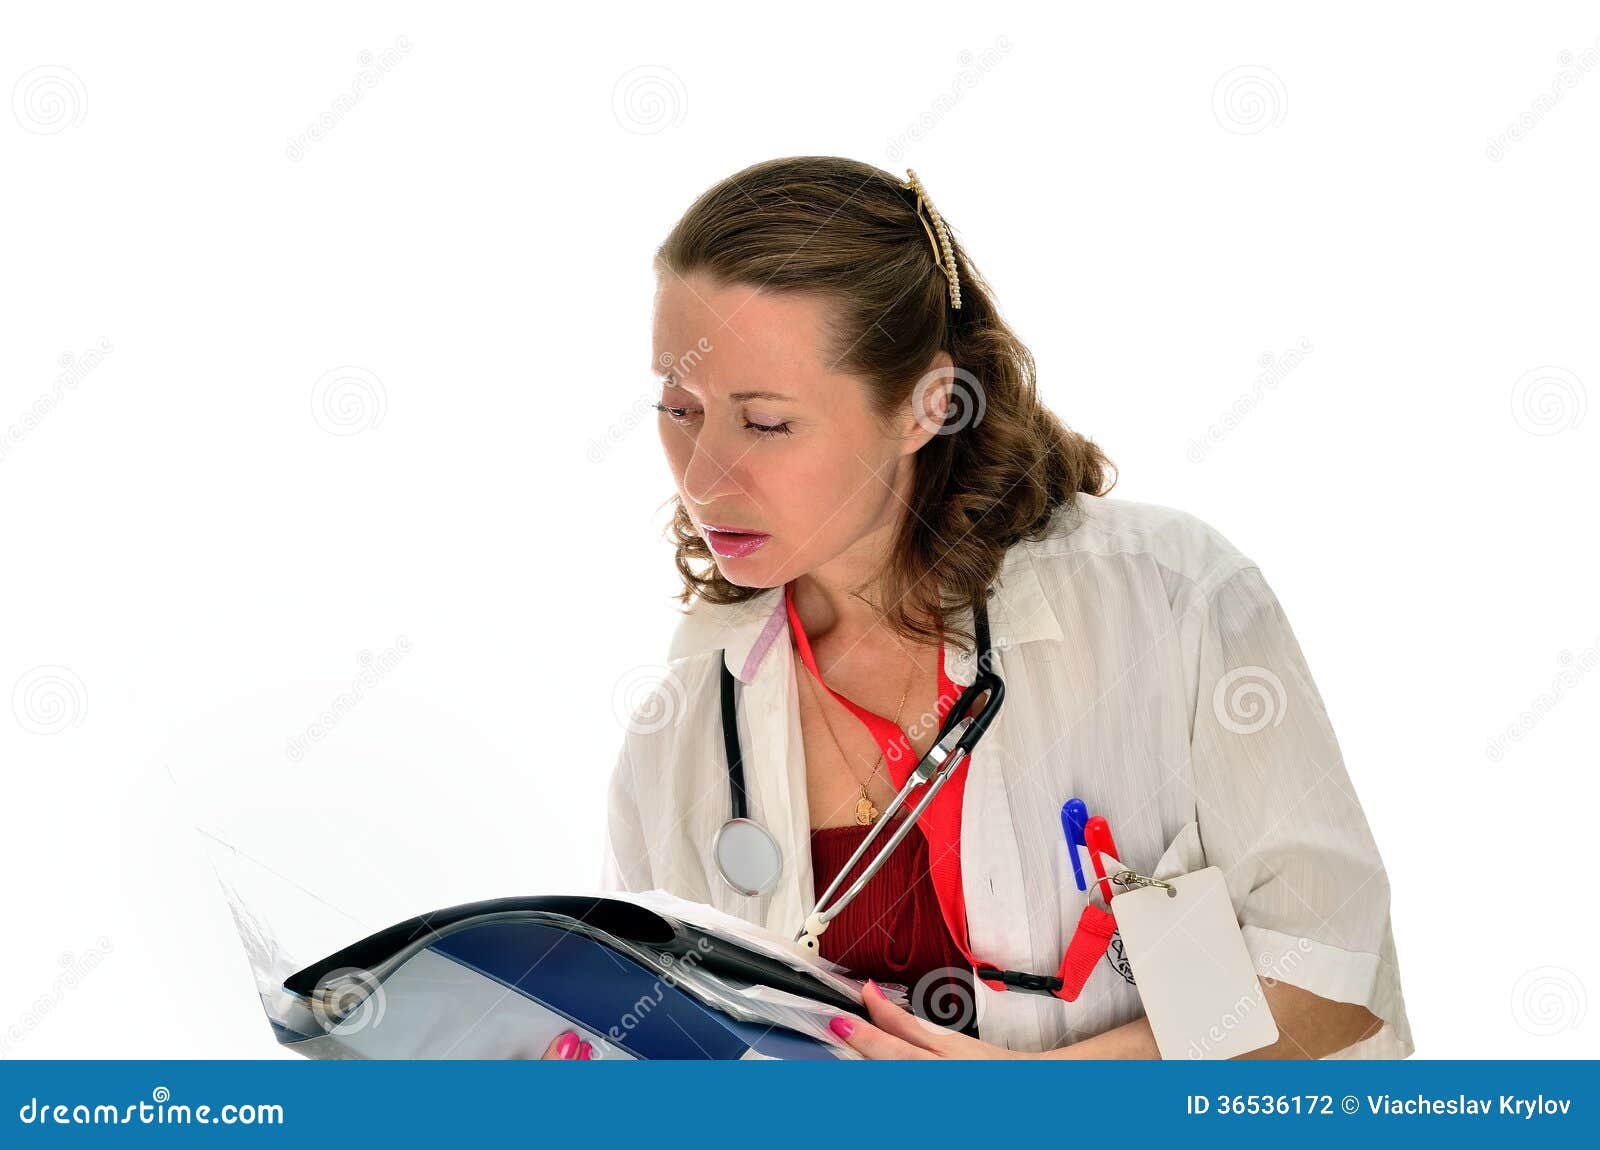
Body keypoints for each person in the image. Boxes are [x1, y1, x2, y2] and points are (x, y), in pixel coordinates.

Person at [548, 155, 1411, 1060]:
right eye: (678, 408)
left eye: (765, 423)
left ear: (926, 405)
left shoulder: (1168, 596)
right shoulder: (684, 717)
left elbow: (1328, 980)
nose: (706, 475)